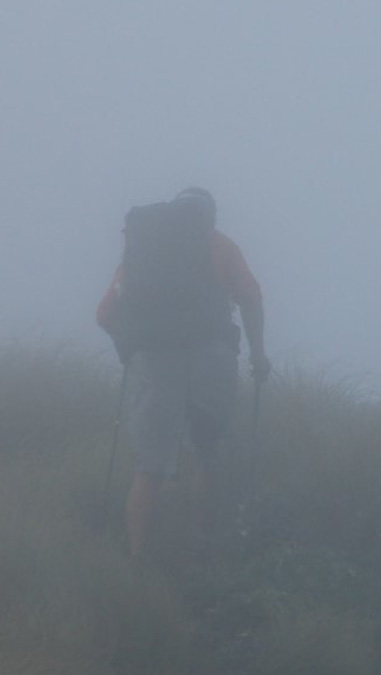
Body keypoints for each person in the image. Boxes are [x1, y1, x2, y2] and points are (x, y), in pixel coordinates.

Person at [96, 186, 271, 560]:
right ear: (210, 215)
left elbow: (105, 315)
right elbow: (251, 297)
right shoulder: (220, 244)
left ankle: (138, 559)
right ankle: (202, 546)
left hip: (154, 360)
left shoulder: (144, 249)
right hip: (213, 356)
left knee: (149, 466)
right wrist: (258, 354)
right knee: (207, 452)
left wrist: (132, 349)